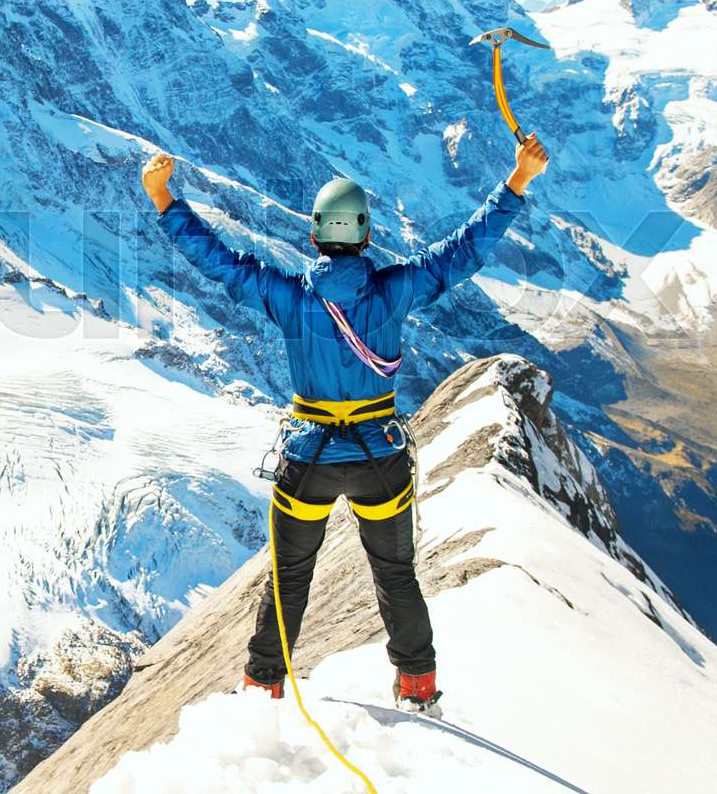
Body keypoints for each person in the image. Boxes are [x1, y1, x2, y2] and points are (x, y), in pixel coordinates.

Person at [140, 134, 550, 711]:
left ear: (313, 236)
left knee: (289, 579)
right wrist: (516, 184)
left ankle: (263, 686)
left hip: (307, 461)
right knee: (395, 574)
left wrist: (165, 200)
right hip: (379, 460)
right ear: (365, 234)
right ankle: (417, 685)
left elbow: (220, 263)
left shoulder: (287, 295)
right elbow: (463, 252)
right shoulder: (396, 289)